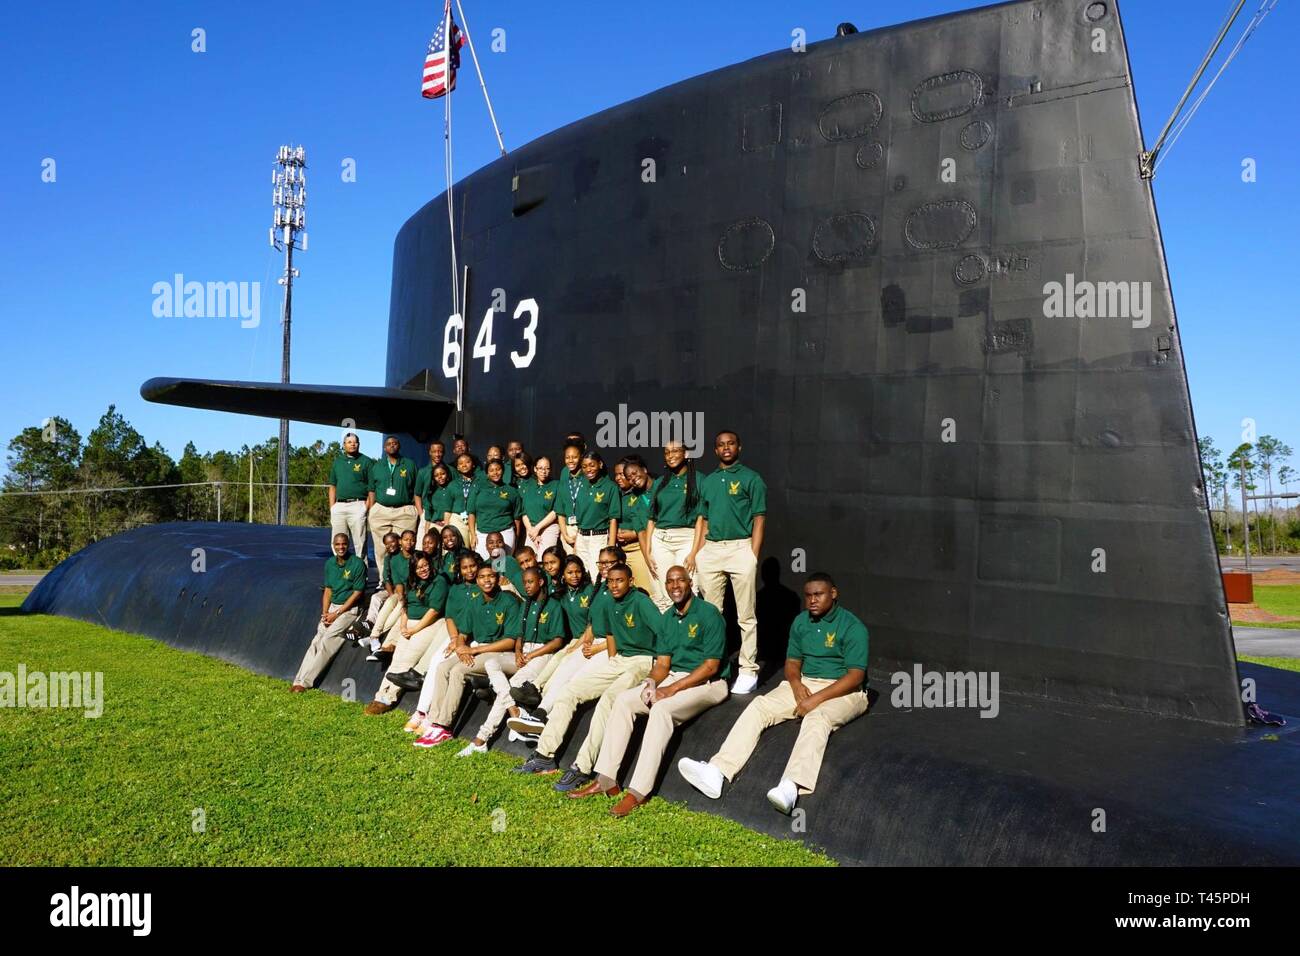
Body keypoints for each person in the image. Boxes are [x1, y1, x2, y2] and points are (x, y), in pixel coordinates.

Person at [677, 572, 869, 815]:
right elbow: (792, 663)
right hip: (806, 683)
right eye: (808, 595)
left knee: (817, 718)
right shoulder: (801, 622)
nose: (812, 600)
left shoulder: (852, 627)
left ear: (833, 593)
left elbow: (855, 676)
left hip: (846, 690)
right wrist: (798, 686)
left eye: (818, 594)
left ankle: (790, 788)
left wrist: (816, 699)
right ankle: (717, 771)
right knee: (759, 705)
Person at [568, 565, 729, 817]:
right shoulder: (667, 618)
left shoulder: (709, 614)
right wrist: (652, 683)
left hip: (708, 683)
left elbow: (710, 667)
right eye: (670, 581)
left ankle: (638, 791)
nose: (675, 586)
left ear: (690, 583)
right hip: (675, 676)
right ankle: (607, 779)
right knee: (623, 700)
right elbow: (663, 665)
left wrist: (670, 690)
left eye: (680, 580)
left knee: (661, 709)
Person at [515, 563, 661, 791]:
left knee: (607, 702)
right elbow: (611, 634)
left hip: (642, 661)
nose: (614, 585)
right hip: (619, 659)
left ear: (630, 581)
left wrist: (659, 669)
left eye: (620, 580)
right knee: (569, 692)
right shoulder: (610, 603)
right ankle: (544, 754)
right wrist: (612, 661)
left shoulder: (641, 601)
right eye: (611, 581)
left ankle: (582, 767)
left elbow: (663, 632)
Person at [456, 566, 568, 755]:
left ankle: (482, 738)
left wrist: (532, 655)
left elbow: (557, 641)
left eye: (531, 582)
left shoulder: (554, 606)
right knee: (492, 663)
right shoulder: (525, 604)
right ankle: (514, 711)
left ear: (541, 582)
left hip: (542, 653)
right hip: (523, 651)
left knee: (514, 682)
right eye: (524, 583)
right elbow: (517, 635)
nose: (527, 586)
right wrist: (517, 651)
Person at [688, 430, 766, 695]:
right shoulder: (708, 481)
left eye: (731, 443)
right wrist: (698, 553)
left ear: (739, 447)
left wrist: (752, 554)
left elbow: (759, 519)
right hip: (711, 550)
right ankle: (715, 668)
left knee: (746, 616)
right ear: (715, 450)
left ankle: (747, 670)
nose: (726, 448)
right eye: (720, 445)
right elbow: (704, 519)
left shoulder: (751, 478)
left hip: (740, 548)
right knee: (711, 616)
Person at [412, 565, 524, 748]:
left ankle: (444, 727)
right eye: (482, 577)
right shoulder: (475, 601)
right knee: (443, 667)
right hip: (478, 649)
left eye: (491, 576)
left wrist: (474, 651)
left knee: (458, 671)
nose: (487, 580)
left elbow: (511, 641)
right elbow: (463, 632)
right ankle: (433, 720)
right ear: (477, 580)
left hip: (497, 652)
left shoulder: (508, 601)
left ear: (497, 579)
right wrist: (461, 646)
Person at [364, 554, 450, 714]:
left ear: (430, 565)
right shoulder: (412, 582)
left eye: (425, 565)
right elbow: (405, 606)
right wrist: (403, 625)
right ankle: (379, 696)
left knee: (406, 661)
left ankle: (388, 698)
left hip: (428, 624)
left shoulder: (439, 582)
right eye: (418, 567)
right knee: (396, 660)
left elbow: (434, 611)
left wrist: (414, 630)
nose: (423, 570)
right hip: (409, 623)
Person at [291, 533, 367, 691]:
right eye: (338, 544)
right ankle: (298, 679)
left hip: (348, 610)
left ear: (348, 545)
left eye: (344, 544)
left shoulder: (357, 564)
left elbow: (357, 593)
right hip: (332, 608)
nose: (341, 547)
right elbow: (328, 590)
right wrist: (325, 613)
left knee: (328, 640)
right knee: (316, 641)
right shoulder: (330, 564)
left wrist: (337, 613)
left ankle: (305, 682)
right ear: (333, 545)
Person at [644, 439, 701, 612]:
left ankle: (690, 635)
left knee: (690, 589)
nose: (671, 455)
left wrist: (694, 552)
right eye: (667, 452)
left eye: (675, 451)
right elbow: (651, 519)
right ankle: (669, 636)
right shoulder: (660, 482)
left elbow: (701, 518)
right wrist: (647, 549)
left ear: (686, 454)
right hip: (660, 540)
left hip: (687, 539)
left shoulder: (698, 479)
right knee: (665, 590)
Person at [560, 451, 620, 581]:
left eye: (592, 465)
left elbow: (613, 519)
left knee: (597, 576)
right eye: (585, 466)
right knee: (582, 577)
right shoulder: (580, 486)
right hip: (581, 537)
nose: (588, 469)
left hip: (599, 537)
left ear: (600, 464)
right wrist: (577, 541)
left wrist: (610, 547)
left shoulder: (610, 487)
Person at [367, 435, 420, 580]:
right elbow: (372, 490)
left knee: (405, 548)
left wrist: (416, 510)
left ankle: (405, 579)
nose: (392, 446)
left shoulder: (409, 464)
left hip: (404, 511)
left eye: (395, 443)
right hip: (381, 510)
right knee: (382, 549)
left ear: (399, 446)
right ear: (385, 448)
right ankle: (384, 580)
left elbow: (416, 490)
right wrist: (372, 509)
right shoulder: (377, 466)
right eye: (389, 444)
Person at [369, 529, 418, 659]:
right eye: (406, 539)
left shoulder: (417, 557)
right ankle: (374, 636)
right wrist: (399, 596)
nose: (410, 542)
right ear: (401, 541)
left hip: (412, 593)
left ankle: (377, 635)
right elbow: (396, 581)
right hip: (400, 591)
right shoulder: (395, 559)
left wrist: (404, 599)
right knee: (391, 602)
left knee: (399, 610)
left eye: (412, 540)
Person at [327, 433, 373, 570]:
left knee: (360, 542)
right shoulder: (337, 462)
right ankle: (339, 574)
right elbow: (332, 486)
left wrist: (367, 506)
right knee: (337, 541)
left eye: (355, 442)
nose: (352, 444)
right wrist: (332, 507)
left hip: (358, 505)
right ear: (344, 445)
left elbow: (372, 487)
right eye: (349, 442)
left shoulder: (366, 461)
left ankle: (361, 575)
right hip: (339, 506)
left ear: (359, 444)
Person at [351, 532, 403, 648]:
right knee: (376, 597)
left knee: (394, 611)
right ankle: (370, 621)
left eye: (392, 542)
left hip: (403, 591)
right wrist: (390, 595)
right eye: (387, 544)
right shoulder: (388, 558)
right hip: (392, 590)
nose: (390, 546)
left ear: (399, 541)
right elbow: (386, 579)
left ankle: (372, 636)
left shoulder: (404, 555)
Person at [469, 458, 522, 559]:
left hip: (505, 532)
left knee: (501, 566)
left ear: (503, 470)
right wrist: (473, 535)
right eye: (491, 470)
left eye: (498, 469)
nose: (495, 473)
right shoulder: (478, 489)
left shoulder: (511, 491)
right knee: (484, 566)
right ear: (487, 473)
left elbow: (517, 518)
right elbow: (471, 513)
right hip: (483, 532)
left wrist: (516, 538)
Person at [616, 455, 655, 594]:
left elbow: (645, 528)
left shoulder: (646, 493)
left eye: (622, 474)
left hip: (642, 546)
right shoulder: (617, 495)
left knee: (647, 590)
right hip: (621, 550)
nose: (619, 478)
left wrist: (633, 534)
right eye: (617, 475)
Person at [518, 454, 561, 556]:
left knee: (544, 559)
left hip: (549, 528)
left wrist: (538, 529)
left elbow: (555, 511)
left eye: (547, 468)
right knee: (529, 560)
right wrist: (532, 532)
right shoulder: (527, 486)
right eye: (540, 468)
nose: (543, 471)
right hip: (531, 529)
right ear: (535, 469)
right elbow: (524, 512)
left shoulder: (556, 485)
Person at [413, 440, 447, 544]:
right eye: (434, 451)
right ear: (430, 452)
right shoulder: (422, 472)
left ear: (443, 452)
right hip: (427, 515)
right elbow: (417, 494)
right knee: (422, 546)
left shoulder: (450, 470)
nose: (437, 454)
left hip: (445, 516)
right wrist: (421, 513)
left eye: (440, 451)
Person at [556, 442, 585, 554]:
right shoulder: (564, 479)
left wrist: (579, 533)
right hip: (567, 530)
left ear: (581, 457)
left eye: (574, 457)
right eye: (567, 457)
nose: (571, 460)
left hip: (583, 529)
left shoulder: (587, 479)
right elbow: (560, 512)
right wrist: (565, 535)